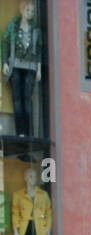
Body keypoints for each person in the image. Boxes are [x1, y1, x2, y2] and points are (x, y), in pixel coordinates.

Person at [4, 1, 42, 137]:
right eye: (28, 11)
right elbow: (6, 43)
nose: (30, 13)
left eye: (32, 11)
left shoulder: (36, 29)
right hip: (16, 65)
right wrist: (5, 63)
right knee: (17, 99)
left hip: (30, 66)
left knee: (27, 98)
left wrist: (39, 69)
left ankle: (28, 131)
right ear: (22, 10)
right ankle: (21, 131)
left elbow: (38, 50)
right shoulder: (14, 26)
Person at [12, 164, 50, 235]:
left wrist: (48, 228)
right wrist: (16, 231)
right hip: (25, 227)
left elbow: (48, 212)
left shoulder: (43, 194)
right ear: (25, 178)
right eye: (30, 176)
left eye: (35, 176)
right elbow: (15, 213)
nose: (33, 179)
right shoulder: (18, 195)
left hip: (40, 226)